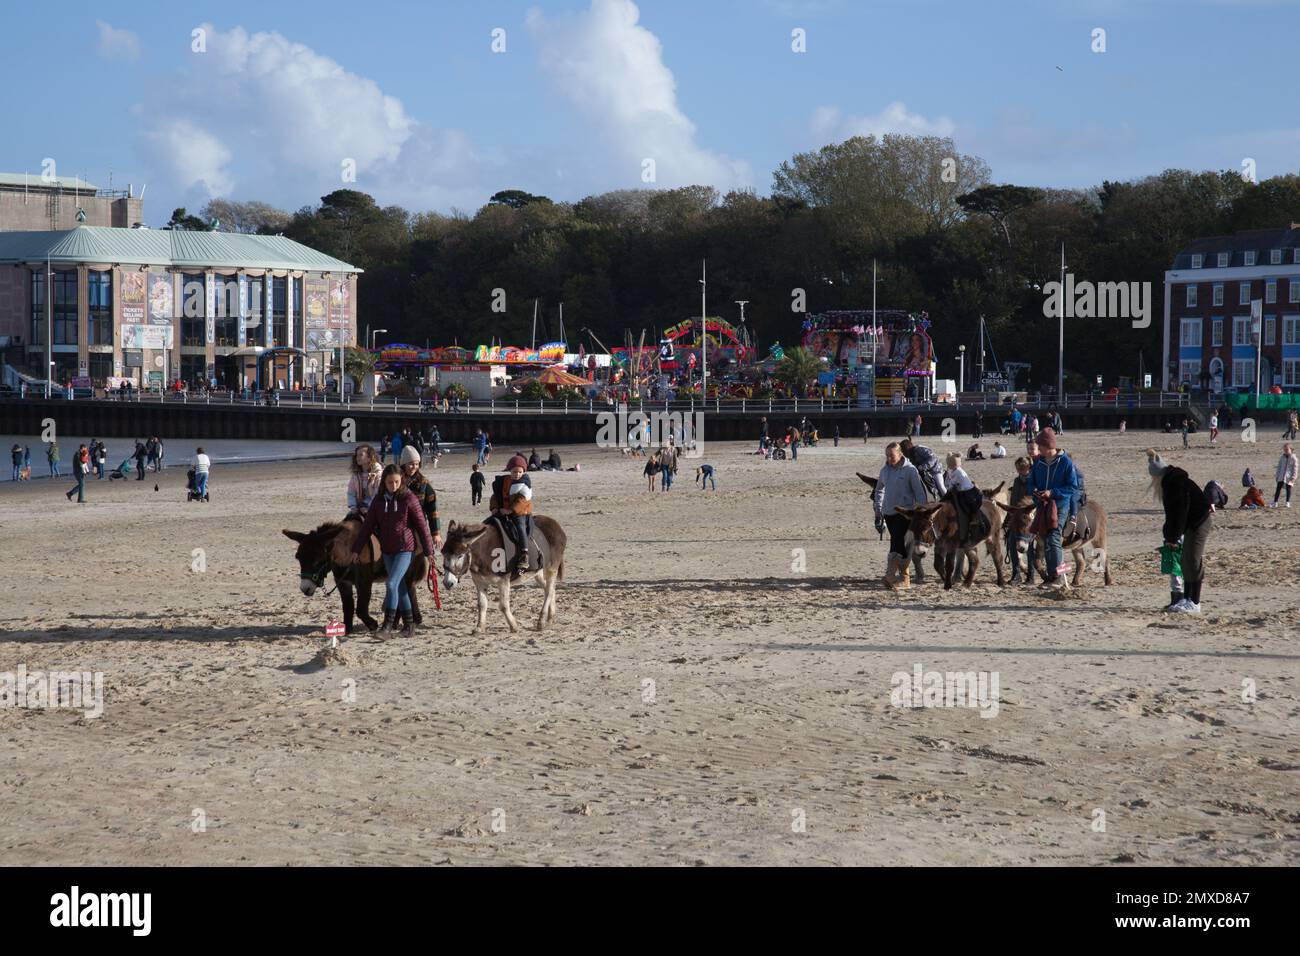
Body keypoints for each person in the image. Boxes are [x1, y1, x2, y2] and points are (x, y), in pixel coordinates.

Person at [352, 463, 435, 635]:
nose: (394, 486)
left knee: (391, 583)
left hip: (406, 548)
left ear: (401, 481)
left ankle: (387, 626)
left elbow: (421, 526)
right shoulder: (379, 501)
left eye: (397, 482)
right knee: (401, 587)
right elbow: (367, 527)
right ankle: (409, 626)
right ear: (384, 483)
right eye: (390, 482)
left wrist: (429, 552)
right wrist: (356, 549)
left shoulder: (409, 498)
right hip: (388, 550)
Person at [1147, 449, 1211, 614]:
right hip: (1191, 523)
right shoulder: (1171, 483)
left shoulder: (1175, 485)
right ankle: (1187, 599)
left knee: (1193, 561)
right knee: (1185, 561)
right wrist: (1171, 535)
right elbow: (1174, 516)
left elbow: (1179, 513)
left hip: (1199, 522)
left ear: (1157, 475)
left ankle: (1194, 602)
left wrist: (1173, 538)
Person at [1026, 428, 1079, 589]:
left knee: (1054, 538)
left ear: (1048, 445)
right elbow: (1031, 482)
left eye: (1040, 446)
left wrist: (1052, 492)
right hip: (1042, 505)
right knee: (1044, 538)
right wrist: (1035, 492)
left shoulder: (1065, 463)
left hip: (1060, 505)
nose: (1038, 449)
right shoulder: (1038, 462)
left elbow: (1072, 487)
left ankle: (1057, 577)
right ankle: (1050, 577)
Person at [873, 441, 928, 590]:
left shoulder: (910, 470)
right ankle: (903, 578)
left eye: (892, 455)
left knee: (897, 542)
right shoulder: (885, 470)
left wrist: (920, 513)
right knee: (898, 544)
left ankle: (892, 576)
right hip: (888, 513)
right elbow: (879, 490)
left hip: (906, 514)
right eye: (887, 456)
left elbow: (920, 494)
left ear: (900, 454)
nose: (889, 458)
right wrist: (878, 508)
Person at [490, 455, 534, 577]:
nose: (517, 474)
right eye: (514, 471)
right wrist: (494, 508)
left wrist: (510, 510)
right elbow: (495, 496)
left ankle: (524, 554)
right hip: (502, 510)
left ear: (524, 472)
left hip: (520, 512)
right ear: (509, 471)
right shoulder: (504, 482)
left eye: (520, 472)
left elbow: (523, 500)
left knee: (520, 527)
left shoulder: (524, 484)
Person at [399, 443, 442, 562]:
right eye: (411, 464)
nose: (414, 467)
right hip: (398, 525)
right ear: (403, 464)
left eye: (417, 464)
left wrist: (435, 533)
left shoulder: (423, 484)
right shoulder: (396, 482)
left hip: (418, 526)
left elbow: (432, 509)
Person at [1006, 456, 1037, 584]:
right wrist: (1011, 516)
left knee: (1030, 547)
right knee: (1011, 542)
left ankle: (1031, 576)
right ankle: (1016, 574)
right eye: (1018, 469)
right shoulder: (1017, 481)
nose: (1020, 471)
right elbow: (1013, 499)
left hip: (1030, 516)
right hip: (1017, 516)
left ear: (1028, 467)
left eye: (1022, 468)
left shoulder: (1034, 480)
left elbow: (1035, 498)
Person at [942, 452, 984, 545]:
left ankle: (975, 517)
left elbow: (951, 483)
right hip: (959, 491)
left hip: (967, 492)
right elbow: (948, 483)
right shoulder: (951, 470)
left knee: (965, 505)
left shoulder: (958, 471)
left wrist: (949, 485)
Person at [347, 444, 384, 520]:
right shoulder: (356, 475)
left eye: (361, 455)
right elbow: (351, 492)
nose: (357, 457)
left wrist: (368, 507)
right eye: (357, 455)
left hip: (375, 506)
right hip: (359, 506)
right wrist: (353, 507)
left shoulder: (378, 474)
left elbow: (378, 493)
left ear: (370, 457)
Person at [1272, 443, 1298, 508]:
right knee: (1278, 489)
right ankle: (1275, 502)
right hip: (1281, 476)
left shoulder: (1293, 458)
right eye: (1284, 450)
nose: (1285, 451)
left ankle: (1287, 502)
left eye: (1287, 449)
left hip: (1289, 477)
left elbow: (1295, 469)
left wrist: (1293, 477)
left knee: (1288, 489)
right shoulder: (1282, 457)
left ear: (1291, 449)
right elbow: (1279, 467)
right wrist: (1277, 475)